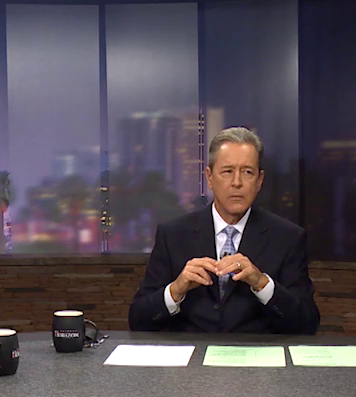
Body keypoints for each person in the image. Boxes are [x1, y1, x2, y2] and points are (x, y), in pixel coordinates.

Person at [128, 127, 320, 334]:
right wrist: (176, 290)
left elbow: (307, 324)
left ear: (259, 181)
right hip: (190, 361)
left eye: (247, 172)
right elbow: (138, 320)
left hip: (257, 360)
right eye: (227, 171)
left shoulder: (287, 237)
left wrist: (262, 284)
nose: (237, 183)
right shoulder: (173, 234)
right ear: (209, 177)